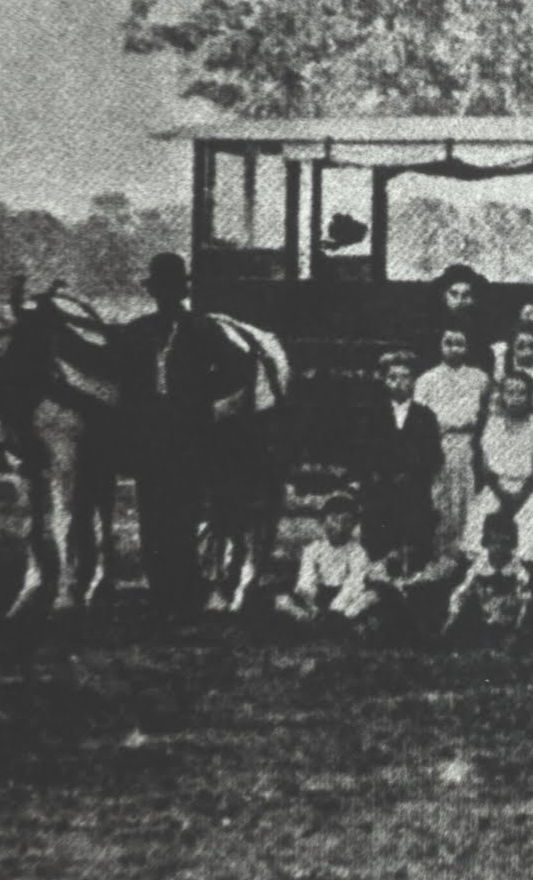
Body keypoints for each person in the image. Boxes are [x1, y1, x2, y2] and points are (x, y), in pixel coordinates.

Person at [124, 251, 252, 616]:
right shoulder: (139, 330)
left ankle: (185, 593)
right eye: (160, 289)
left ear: (181, 291)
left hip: (189, 440)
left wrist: (202, 400)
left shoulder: (202, 329)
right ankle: (161, 594)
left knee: (183, 515)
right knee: (151, 517)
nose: (165, 296)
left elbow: (239, 366)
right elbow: (110, 363)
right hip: (151, 439)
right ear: (153, 293)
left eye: (171, 289)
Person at [357, 349, 443, 575]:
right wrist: (381, 475)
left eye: (405, 377)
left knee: (415, 541)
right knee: (380, 541)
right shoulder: (373, 414)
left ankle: (413, 577)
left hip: (414, 490)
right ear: (385, 381)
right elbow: (365, 452)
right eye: (392, 377)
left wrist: (413, 474)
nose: (399, 383)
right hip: (381, 490)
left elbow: (433, 455)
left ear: (414, 381)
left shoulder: (425, 416)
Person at [414, 327, 491, 560]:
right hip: (439, 444)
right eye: (449, 343)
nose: (455, 349)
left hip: (469, 445)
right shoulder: (426, 380)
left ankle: (466, 553)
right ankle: (441, 554)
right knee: (441, 498)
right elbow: (420, 419)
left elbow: (486, 416)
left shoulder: (480, 378)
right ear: (439, 345)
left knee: (468, 497)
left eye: (460, 344)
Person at [464, 371, 533, 567]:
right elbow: (486, 468)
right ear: (502, 395)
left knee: (529, 532)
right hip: (496, 487)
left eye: (522, 393)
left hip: (527, 489)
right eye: (510, 392)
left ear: (530, 396)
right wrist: (502, 495)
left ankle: (524, 575)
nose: (516, 398)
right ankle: (483, 573)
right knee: (482, 526)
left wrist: (520, 497)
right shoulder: (493, 424)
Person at [276, 493, 386, 628]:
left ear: (354, 525)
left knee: (370, 597)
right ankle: (310, 619)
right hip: (317, 598)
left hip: (344, 599)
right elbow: (307, 580)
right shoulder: (313, 549)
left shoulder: (357, 552)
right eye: (333, 519)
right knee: (282, 600)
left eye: (346, 521)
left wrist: (336, 608)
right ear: (323, 521)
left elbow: (354, 583)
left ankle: (336, 621)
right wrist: (311, 605)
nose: (339, 527)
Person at [442, 511, 533, 644]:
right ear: (486, 542)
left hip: (509, 622)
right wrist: (452, 617)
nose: (498, 548)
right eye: (494, 542)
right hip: (484, 621)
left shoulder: (517, 569)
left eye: (504, 543)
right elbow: (460, 593)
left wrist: (518, 627)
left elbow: (525, 600)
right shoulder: (479, 566)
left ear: (512, 545)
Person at [433, 263, 492, 368]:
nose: (459, 301)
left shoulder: (482, 331)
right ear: (444, 295)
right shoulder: (433, 328)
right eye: (454, 294)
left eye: (466, 295)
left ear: (474, 299)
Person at [491, 320, 533, 411]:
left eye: (532, 346)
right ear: (512, 347)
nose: (527, 352)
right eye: (520, 346)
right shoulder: (504, 367)